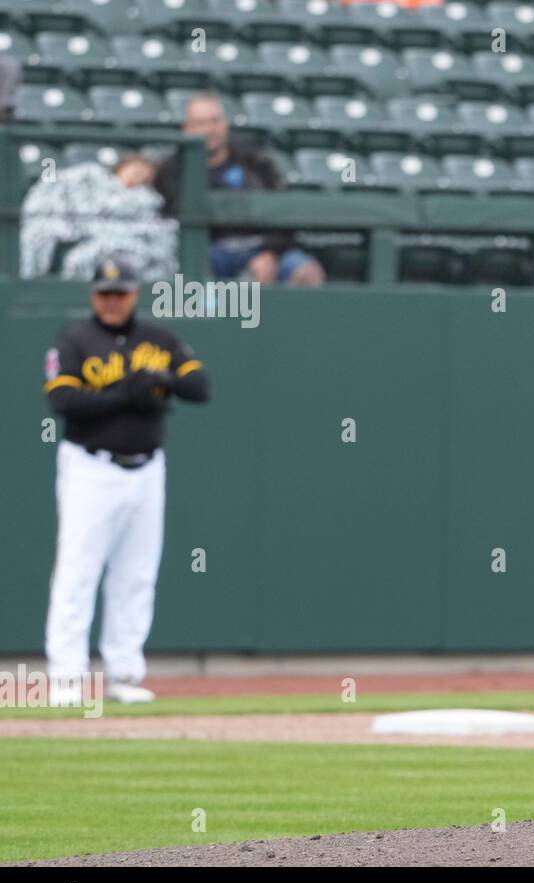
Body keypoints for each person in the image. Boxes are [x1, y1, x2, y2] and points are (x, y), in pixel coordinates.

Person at [43, 258, 212, 705]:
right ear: (93, 295)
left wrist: (163, 378)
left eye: (120, 293)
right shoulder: (76, 339)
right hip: (90, 467)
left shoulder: (158, 339)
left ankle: (124, 672)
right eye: (104, 293)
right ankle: (66, 676)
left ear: (135, 294)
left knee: (136, 574)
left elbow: (200, 386)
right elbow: (62, 399)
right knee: (78, 570)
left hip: (147, 467)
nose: (112, 301)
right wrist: (123, 393)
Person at [154, 93, 324, 285]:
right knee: (196, 271)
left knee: (307, 272)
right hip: (211, 250)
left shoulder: (256, 163)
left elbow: (283, 213)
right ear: (186, 129)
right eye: (200, 123)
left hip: (262, 246)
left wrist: (269, 253)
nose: (210, 129)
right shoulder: (173, 170)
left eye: (215, 121)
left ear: (226, 124)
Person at [21, 153, 177, 281]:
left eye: (145, 180)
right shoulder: (91, 175)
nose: (138, 180)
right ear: (122, 167)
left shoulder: (147, 198)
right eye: (136, 172)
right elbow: (57, 187)